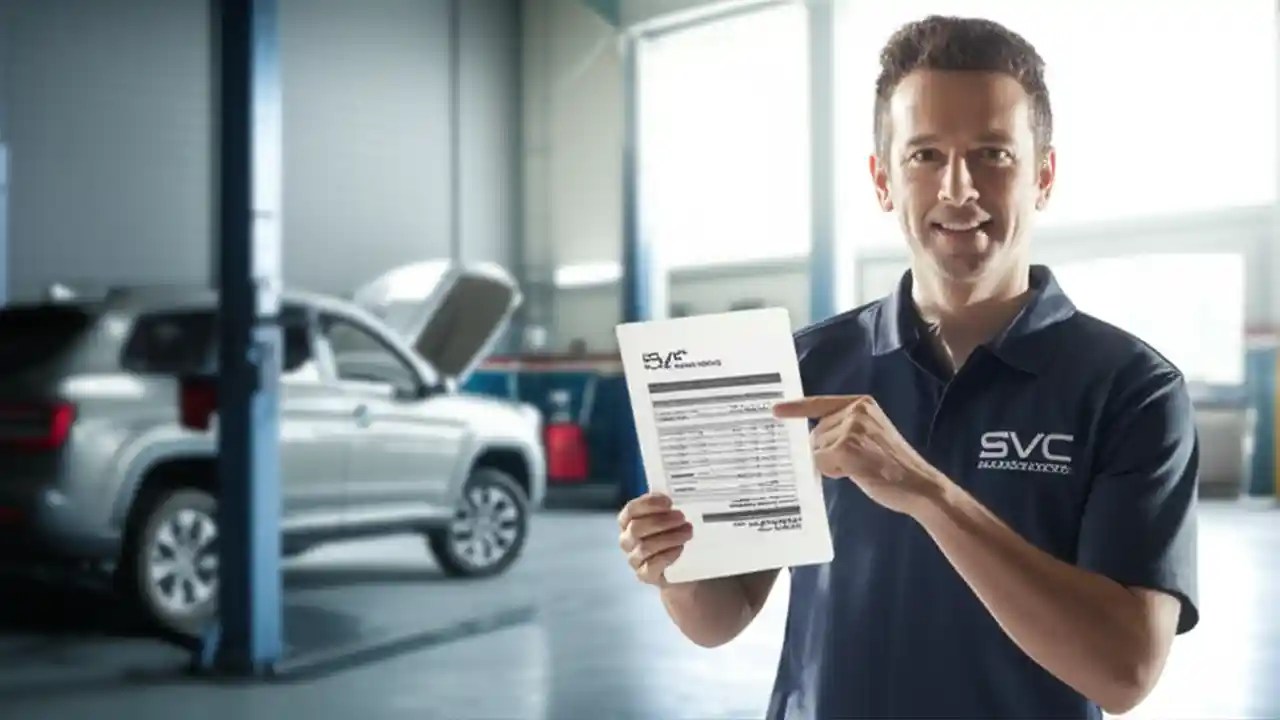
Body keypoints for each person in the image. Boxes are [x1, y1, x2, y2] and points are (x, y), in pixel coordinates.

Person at [616, 14, 1200, 720]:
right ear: (883, 179)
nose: (959, 188)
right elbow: (721, 617)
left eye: (993, 153)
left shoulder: (1133, 389)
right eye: (925, 155)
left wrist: (927, 492)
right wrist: (672, 564)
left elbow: (1125, 671)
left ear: (1043, 175)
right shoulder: (802, 366)